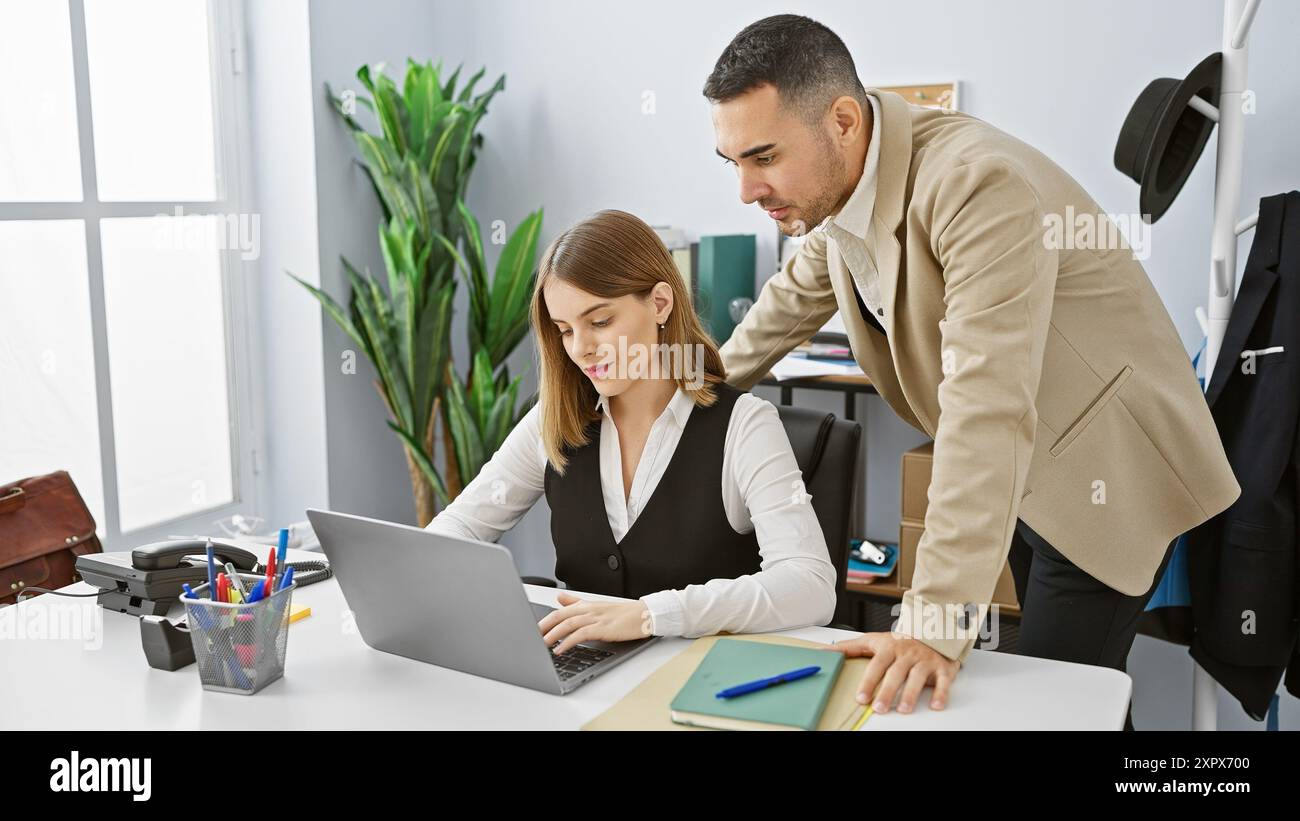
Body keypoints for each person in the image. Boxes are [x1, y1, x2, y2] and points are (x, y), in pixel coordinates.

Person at [426, 208, 837, 656]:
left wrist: (650, 614)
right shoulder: (554, 419)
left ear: (660, 303)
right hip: (583, 676)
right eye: (564, 330)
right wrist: (410, 569)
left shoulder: (745, 425)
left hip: (699, 677)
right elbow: (463, 524)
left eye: (600, 322)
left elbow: (809, 584)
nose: (581, 349)